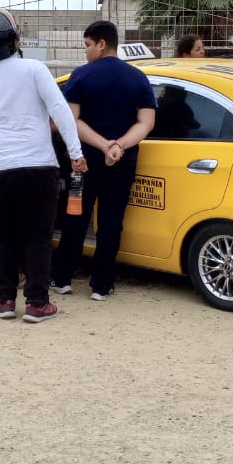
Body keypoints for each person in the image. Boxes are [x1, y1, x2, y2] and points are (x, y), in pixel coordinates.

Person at [0, 10, 86, 323]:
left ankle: (4, 300)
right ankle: (37, 303)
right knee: (38, 236)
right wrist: (75, 152)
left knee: (2, 236)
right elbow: (59, 109)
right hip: (38, 167)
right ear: (13, 39)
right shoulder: (34, 69)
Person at [50, 20, 156, 302]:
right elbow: (146, 123)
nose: (85, 51)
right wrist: (118, 145)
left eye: (87, 45)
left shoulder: (81, 76)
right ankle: (101, 284)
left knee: (75, 215)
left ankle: (62, 279)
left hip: (80, 163)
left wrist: (101, 144)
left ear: (101, 43)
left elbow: (70, 120)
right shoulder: (138, 78)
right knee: (111, 221)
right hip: (122, 163)